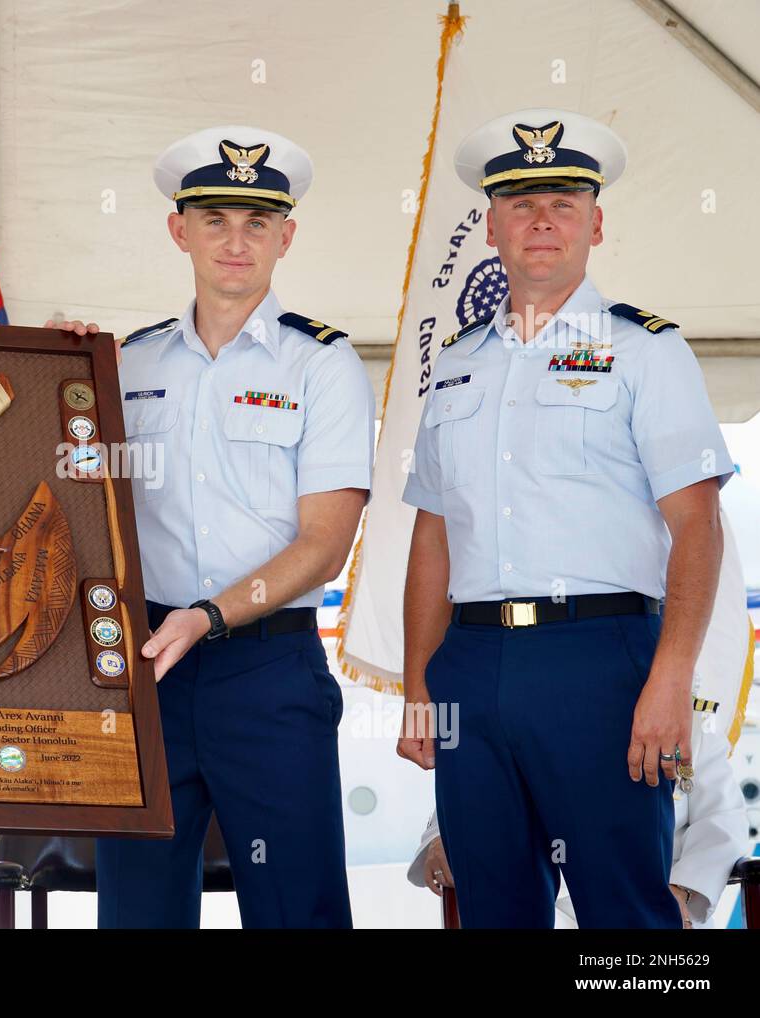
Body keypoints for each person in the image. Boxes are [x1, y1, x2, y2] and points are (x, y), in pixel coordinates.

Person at [397, 108, 732, 928]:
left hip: (602, 663)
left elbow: (698, 525)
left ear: (596, 223)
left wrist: (671, 677)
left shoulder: (647, 350)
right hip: (471, 664)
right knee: (494, 910)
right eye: (521, 203)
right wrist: (417, 683)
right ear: (491, 225)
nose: (542, 220)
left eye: (564, 203)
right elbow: (434, 533)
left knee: (626, 916)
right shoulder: (457, 365)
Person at [52, 126, 373, 927]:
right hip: (146, 668)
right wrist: (52, 376)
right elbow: (72, 492)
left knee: (298, 910)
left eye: (257, 222)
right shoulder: (126, 364)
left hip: (266, 672)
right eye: (216, 219)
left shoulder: (322, 364)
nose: (237, 240)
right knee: (139, 914)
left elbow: (325, 544)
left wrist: (211, 616)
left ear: (286, 237)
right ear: (179, 231)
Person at [409, 720, 749, 927]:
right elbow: (476, 788)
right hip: (547, 908)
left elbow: (723, 819)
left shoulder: (688, 725)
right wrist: (442, 836)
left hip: (657, 910)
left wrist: (682, 891)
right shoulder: (530, 713)